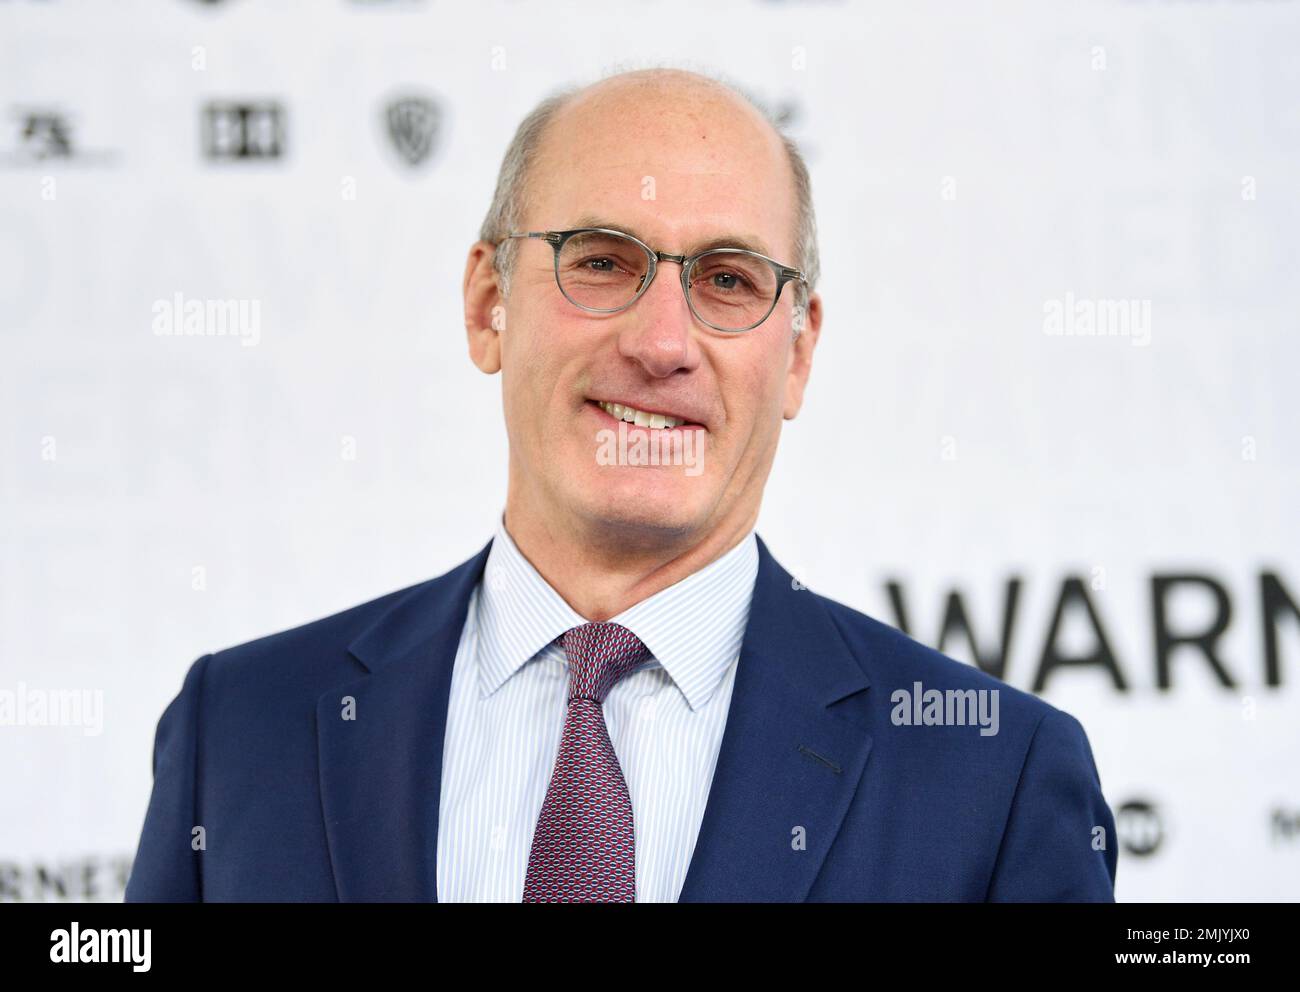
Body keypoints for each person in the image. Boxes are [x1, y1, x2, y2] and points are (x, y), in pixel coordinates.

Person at [124, 67, 1117, 902]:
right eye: (602, 262)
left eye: (729, 280)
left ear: (799, 354)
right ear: (486, 305)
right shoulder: (243, 725)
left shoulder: (994, 778)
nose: (660, 343)